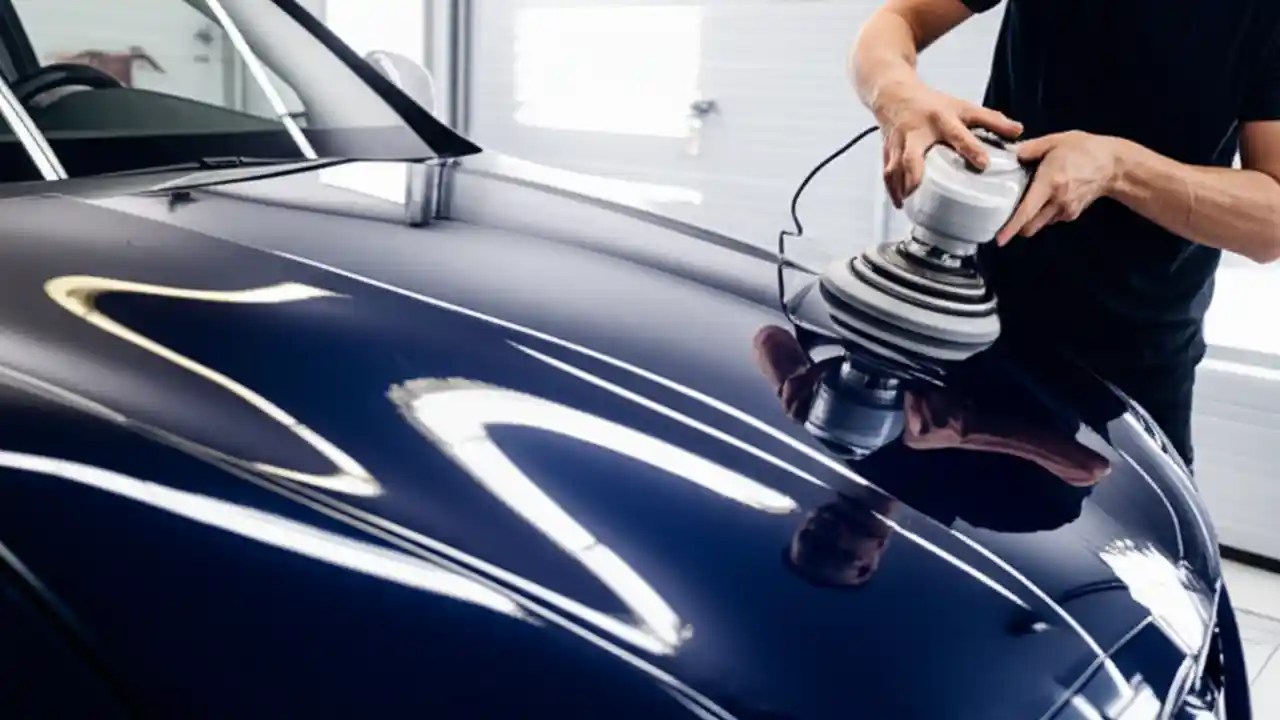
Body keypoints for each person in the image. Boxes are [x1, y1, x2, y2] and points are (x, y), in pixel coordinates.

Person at [850, 0, 1280, 467]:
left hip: (1131, 374)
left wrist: (1120, 169)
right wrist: (896, 93)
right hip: (972, 326)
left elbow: (1271, 222)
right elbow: (897, 21)